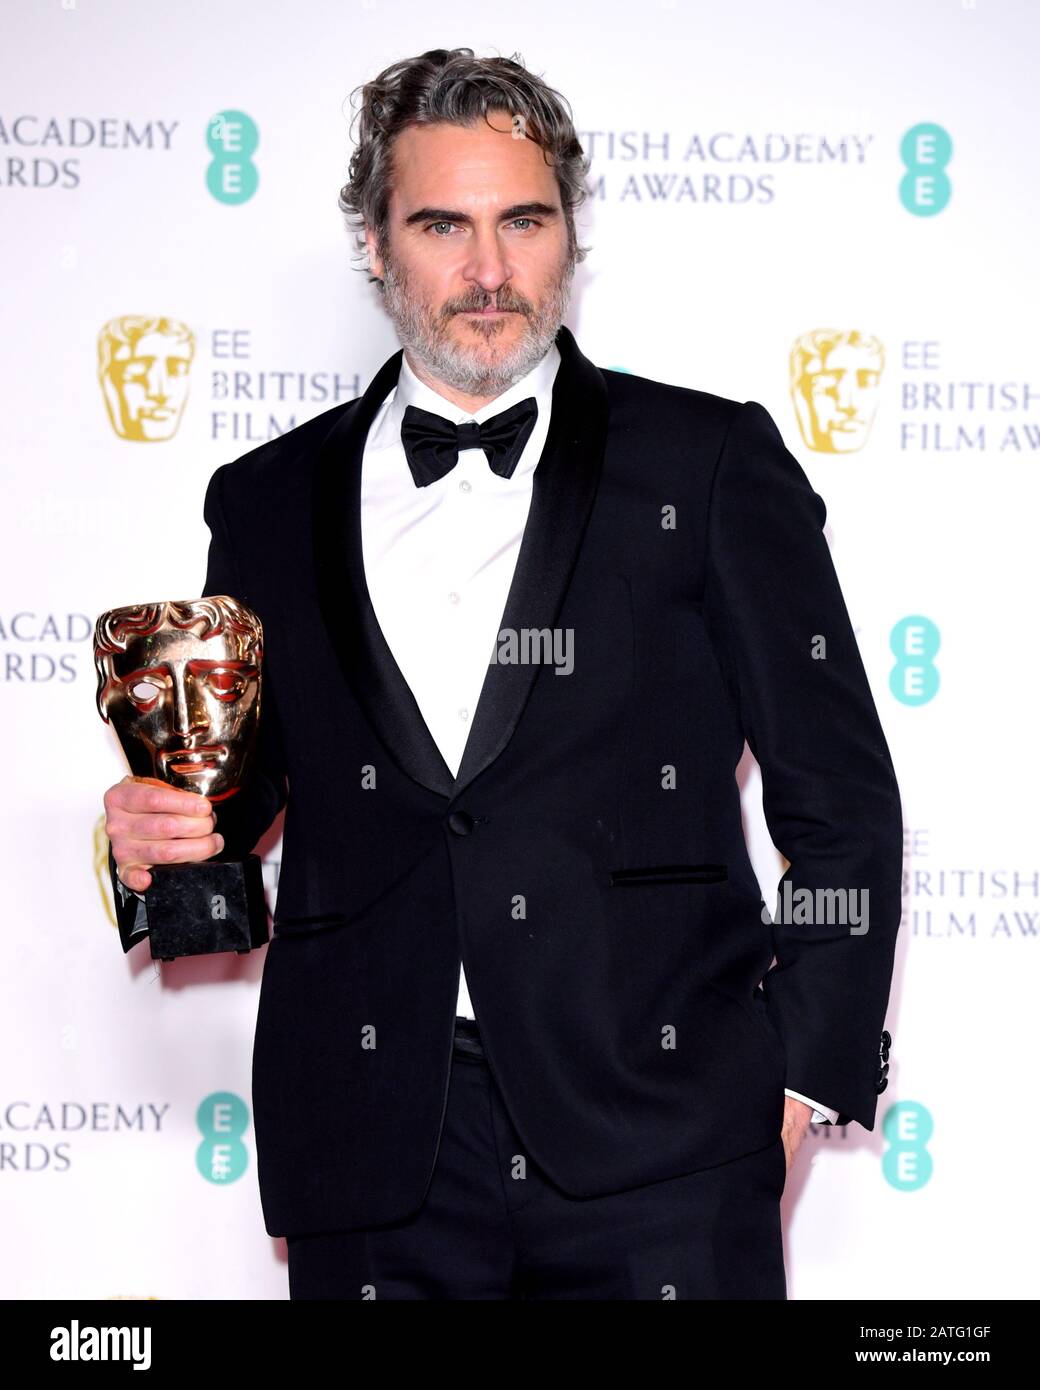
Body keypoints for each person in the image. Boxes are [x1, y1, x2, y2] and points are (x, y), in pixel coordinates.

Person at [102, 47, 902, 1300]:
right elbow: (239, 798)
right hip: (374, 1153)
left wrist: (794, 1083)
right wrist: (157, 835)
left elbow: (842, 804)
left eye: (522, 221)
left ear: (567, 235)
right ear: (375, 244)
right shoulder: (264, 502)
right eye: (442, 225)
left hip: (665, 1149)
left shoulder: (704, 464)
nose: (487, 271)